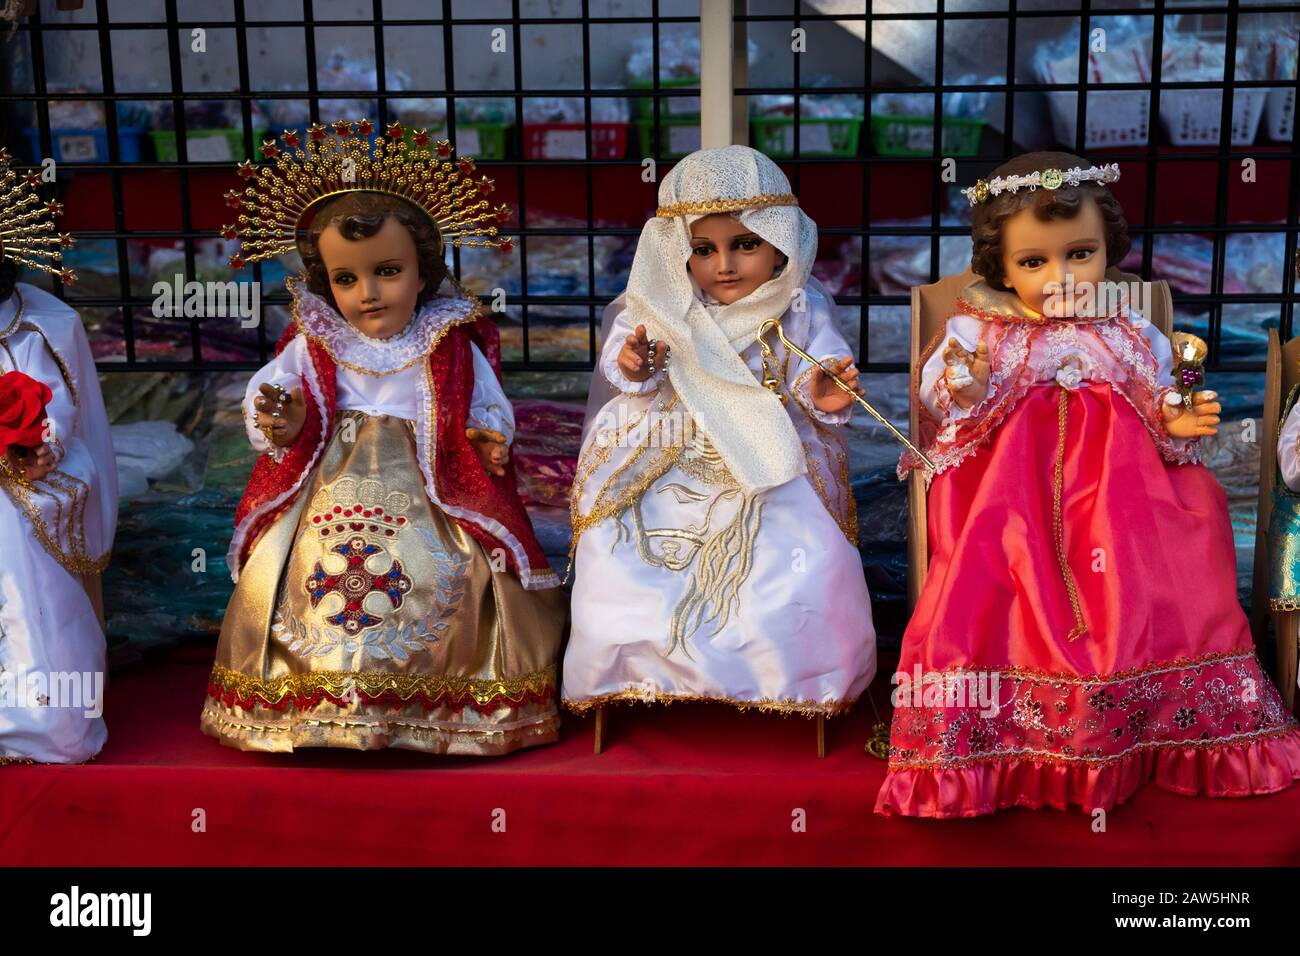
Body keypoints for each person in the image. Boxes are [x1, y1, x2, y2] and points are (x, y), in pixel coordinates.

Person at [878, 150, 1300, 817]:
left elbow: (1162, 397)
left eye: (1080, 254)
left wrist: (1179, 415)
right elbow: (944, 404)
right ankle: (1004, 732)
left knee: (1188, 524)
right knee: (998, 559)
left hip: (1125, 493)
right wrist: (969, 382)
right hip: (1007, 489)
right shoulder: (978, 329)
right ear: (1000, 265)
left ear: (1110, 250)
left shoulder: (1129, 331)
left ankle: (1150, 717)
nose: (1061, 277)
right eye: (1033, 262)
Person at [200, 122, 564, 755]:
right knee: (314, 577)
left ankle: (441, 710)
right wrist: (281, 421)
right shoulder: (316, 341)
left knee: (452, 576)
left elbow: (486, 404)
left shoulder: (448, 341)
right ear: (326, 283)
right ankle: (316, 707)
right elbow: (278, 404)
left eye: (388, 271)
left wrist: (489, 438)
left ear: (423, 271)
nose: (367, 294)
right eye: (347, 279)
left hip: (433, 477)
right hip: (332, 479)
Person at [563, 145, 877, 721]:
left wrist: (822, 389)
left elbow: (817, 365)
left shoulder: (798, 307)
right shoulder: (657, 306)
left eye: (745, 245)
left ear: (779, 241)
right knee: (622, 551)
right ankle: (637, 670)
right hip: (667, 451)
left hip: (767, 455)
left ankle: (792, 679)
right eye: (703, 250)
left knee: (795, 561)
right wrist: (635, 364)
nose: (724, 265)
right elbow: (622, 363)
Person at [0, 150, 117, 764]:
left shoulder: (47, 322)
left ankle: (41, 720)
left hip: (27, 495)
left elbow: (72, 412)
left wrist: (38, 446)